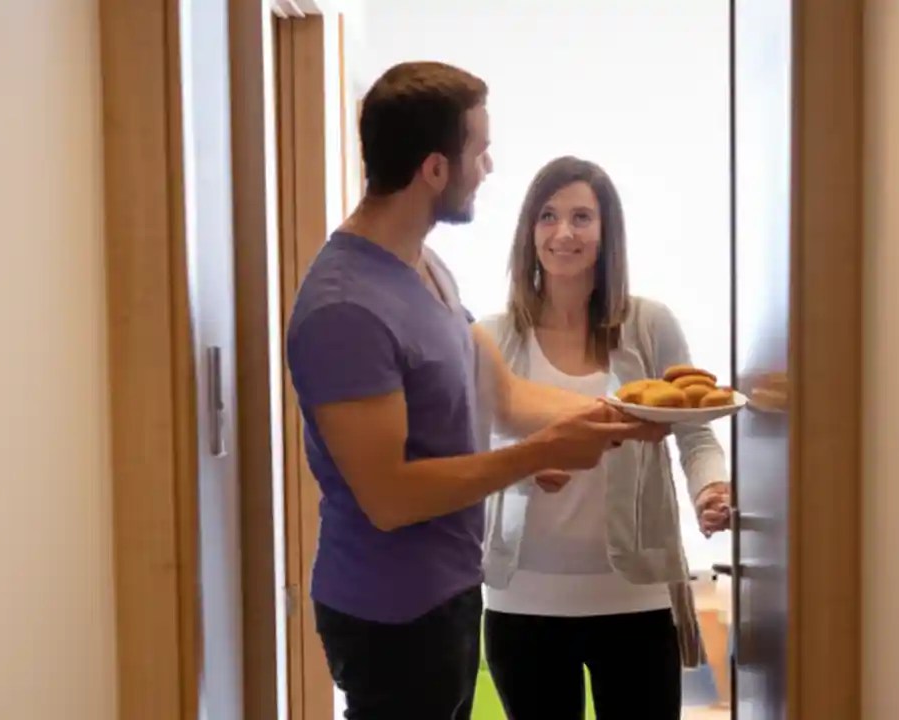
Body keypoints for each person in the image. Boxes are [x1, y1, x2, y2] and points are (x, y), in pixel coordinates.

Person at [285, 63, 667, 720]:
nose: (488, 167)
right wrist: (530, 456)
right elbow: (390, 498)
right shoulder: (345, 308)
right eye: (479, 150)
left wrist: (629, 415)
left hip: (450, 592)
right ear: (435, 168)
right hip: (390, 613)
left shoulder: (423, 267)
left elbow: (506, 396)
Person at [478, 156, 734, 720]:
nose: (563, 232)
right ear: (529, 232)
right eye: (547, 216)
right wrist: (521, 463)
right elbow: (467, 451)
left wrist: (710, 492)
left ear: (606, 232)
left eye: (581, 217)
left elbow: (694, 433)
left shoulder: (649, 323)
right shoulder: (491, 336)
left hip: (635, 597)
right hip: (524, 602)